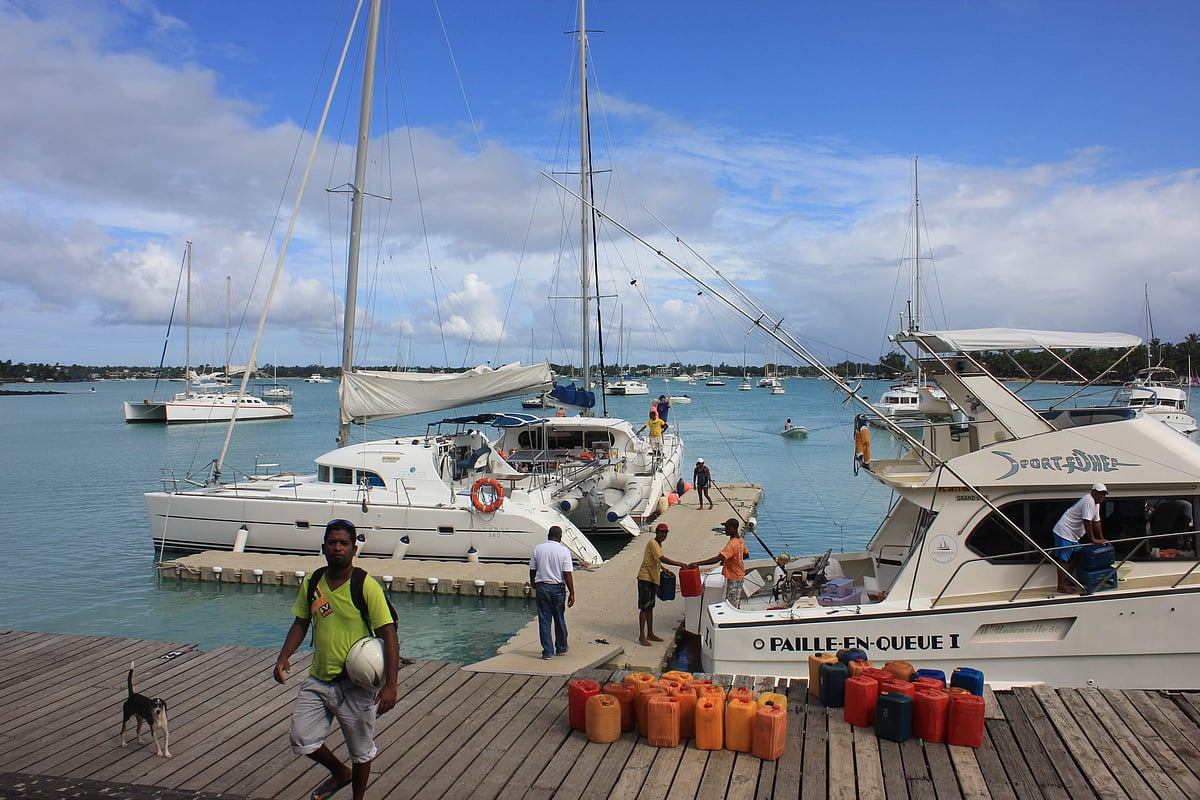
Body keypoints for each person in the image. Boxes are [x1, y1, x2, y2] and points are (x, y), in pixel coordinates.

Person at [274, 520, 399, 800]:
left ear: (354, 549)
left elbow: (389, 634)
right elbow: (301, 622)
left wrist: (391, 685)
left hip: (356, 686)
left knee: (361, 751)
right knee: (301, 738)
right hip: (319, 679)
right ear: (323, 547)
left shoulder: (366, 586)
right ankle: (340, 772)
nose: (337, 548)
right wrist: (283, 657)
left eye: (344, 543)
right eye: (332, 543)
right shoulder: (313, 582)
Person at [1051, 483, 1110, 593]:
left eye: (1104, 494)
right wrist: (1093, 540)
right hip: (1064, 532)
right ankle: (1061, 586)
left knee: (1078, 555)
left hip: (1073, 535)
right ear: (1093, 492)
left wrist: (1101, 539)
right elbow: (1087, 521)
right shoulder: (1089, 500)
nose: (1102, 496)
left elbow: (1097, 522)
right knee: (1064, 559)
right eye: (1100, 493)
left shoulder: (1096, 504)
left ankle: (1067, 580)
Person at [637, 523, 689, 646]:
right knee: (644, 608)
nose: (663, 535)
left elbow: (655, 560)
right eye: (661, 532)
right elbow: (662, 558)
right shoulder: (653, 543)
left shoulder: (658, 544)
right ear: (656, 532)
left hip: (653, 578)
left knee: (650, 607)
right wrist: (680, 564)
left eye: (665, 533)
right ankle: (642, 636)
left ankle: (650, 633)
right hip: (645, 578)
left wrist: (663, 568)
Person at [529, 526, 576, 659]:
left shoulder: (538, 548)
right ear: (560, 537)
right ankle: (561, 647)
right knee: (559, 618)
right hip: (558, 588)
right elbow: (567, 573)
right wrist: (572, 592)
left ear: (548, 535)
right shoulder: (564, 551)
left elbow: (532, 568)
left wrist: (532, 580)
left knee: (544, 619)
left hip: (542, 586)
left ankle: (547, 651)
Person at [689, 518, 750, 607]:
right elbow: (746, 555)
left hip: (734, 577)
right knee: (735, 601)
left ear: (733, 528)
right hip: (739, 575)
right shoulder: (740, 540)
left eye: (727, 527)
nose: (725, 529)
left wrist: (697, 563)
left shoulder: (732, 544)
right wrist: (729, 559)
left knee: (731, 603)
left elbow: (716, 559)